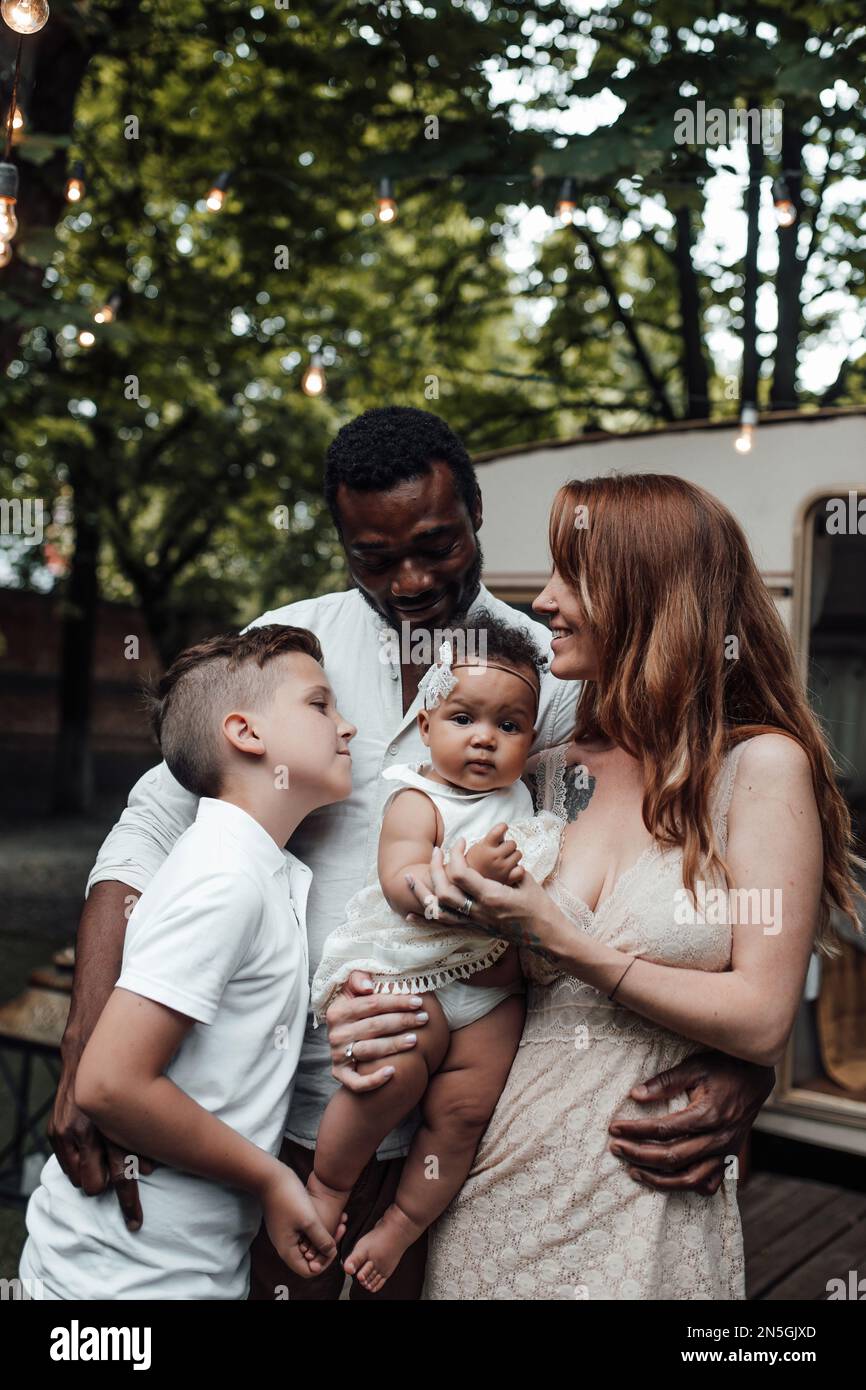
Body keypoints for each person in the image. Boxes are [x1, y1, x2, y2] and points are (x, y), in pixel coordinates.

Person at [49, 408, 775, 1301]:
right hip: (277, 1116)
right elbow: (146, 836)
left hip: (469, 1120)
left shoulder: (548, 675)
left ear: (476, 513)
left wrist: (747, 1057)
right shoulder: (287, 653)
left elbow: (646, 865)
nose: (410, 580)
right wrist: (85, 1040)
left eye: (437, 544)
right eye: (373, 557)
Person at [404, 474, 865, 1300]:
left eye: (570, 577)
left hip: (645, 1197)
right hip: (494, 1189)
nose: (544, 602)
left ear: (648, 592)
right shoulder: (538, 771)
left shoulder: (757, 770)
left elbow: (761, 1018)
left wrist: (568, 942)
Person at [20, 625, 355, 1299]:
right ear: (246, 733)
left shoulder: (257, 870)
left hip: (177, 1272)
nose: (347, 728)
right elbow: (110, 1083)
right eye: (320, 706)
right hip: (115, 1286)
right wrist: (271, 1179)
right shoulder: (224, 878)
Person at [306, 615, 563, 1291]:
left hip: (489, 990)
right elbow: (401, 881)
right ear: (426, 726)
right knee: (391, 1077)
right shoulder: (418, 798)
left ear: (530, 741)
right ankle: (330, 1188)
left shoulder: (523, 801)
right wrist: (465, 871)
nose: (485, 738)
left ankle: (401, 1224)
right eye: (463, 718)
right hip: (411, 966)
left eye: (509, 726)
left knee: (465, 1115)